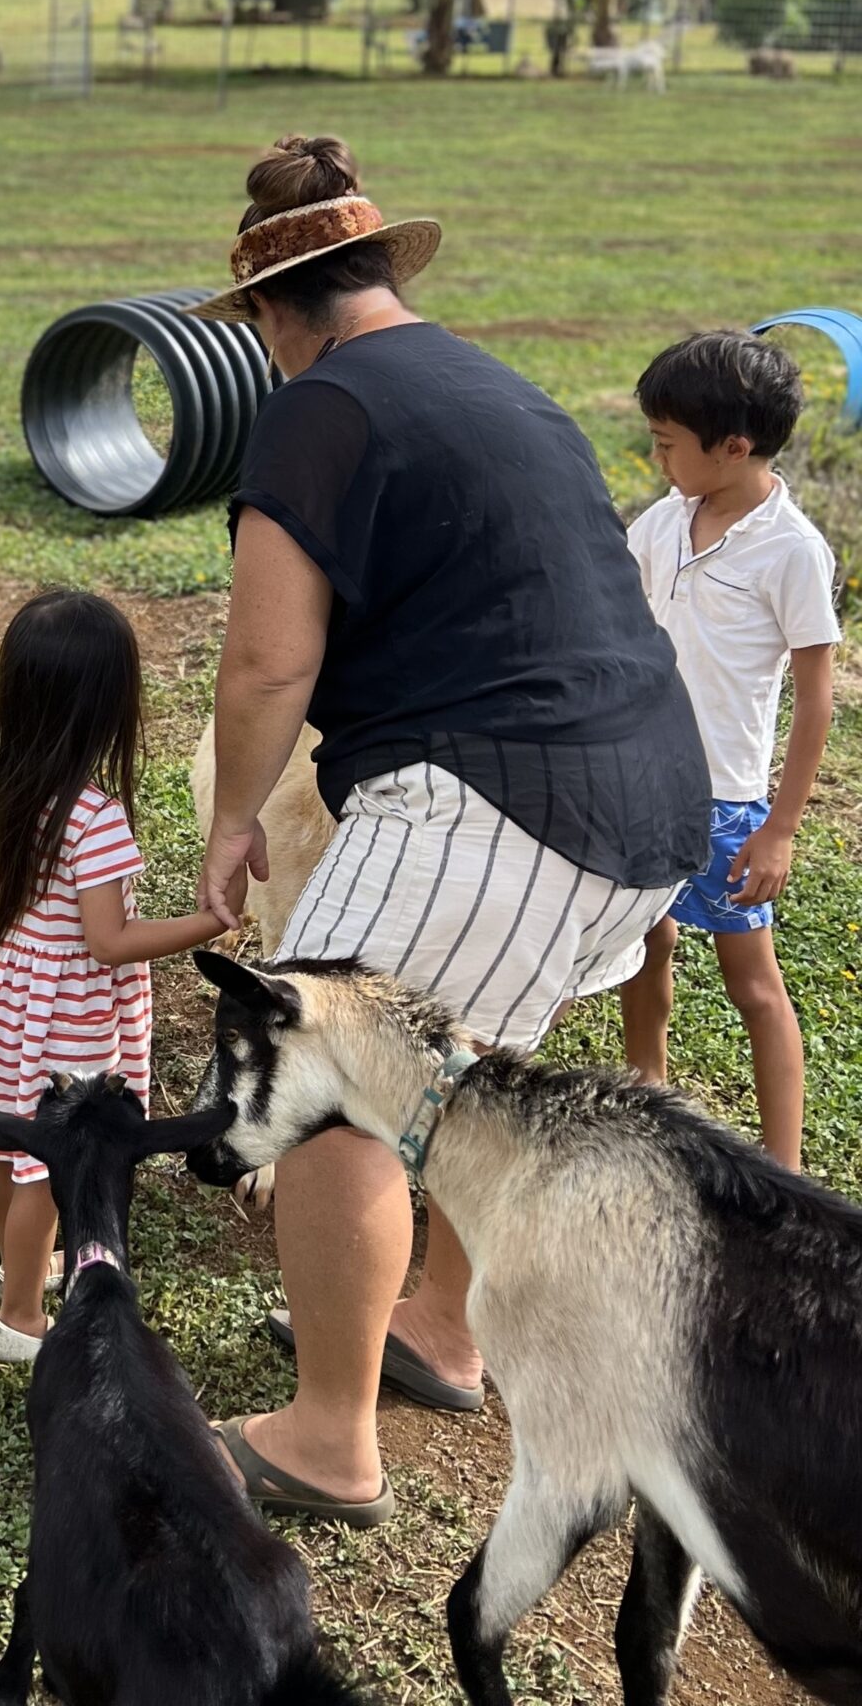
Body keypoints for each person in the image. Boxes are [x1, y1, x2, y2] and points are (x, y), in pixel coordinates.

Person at [196, 134, 709, 1527]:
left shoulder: (320, 405)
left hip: (500, 796)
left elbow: (264, 667)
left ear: (272, 314)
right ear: (378, 271)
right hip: (646, 798)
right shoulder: (497, 382)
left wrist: (232, 823)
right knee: (458, 1075)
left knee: (315, 1068)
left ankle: (325, 1439)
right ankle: (441, 1328)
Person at [0, 591, 220, 1362]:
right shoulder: (96, 820)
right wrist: (211, 923)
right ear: (105, 710)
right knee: (45, 1177)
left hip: (1, 1001)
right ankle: (23, 1319)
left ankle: (17, 1266)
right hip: (67, 1021)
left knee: (7, 1147)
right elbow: (110, 941)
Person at [619, 332, 841, 1170]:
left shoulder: (791, 550)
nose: (656, 456)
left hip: (727, 802)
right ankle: (649, 1107)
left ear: (735, 447)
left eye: (667, 443)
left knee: (753, 985)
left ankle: (783, 1172)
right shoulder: (664, 520)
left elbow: (816, 698)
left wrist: (779, 827)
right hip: (643, 781)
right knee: (643, 946)